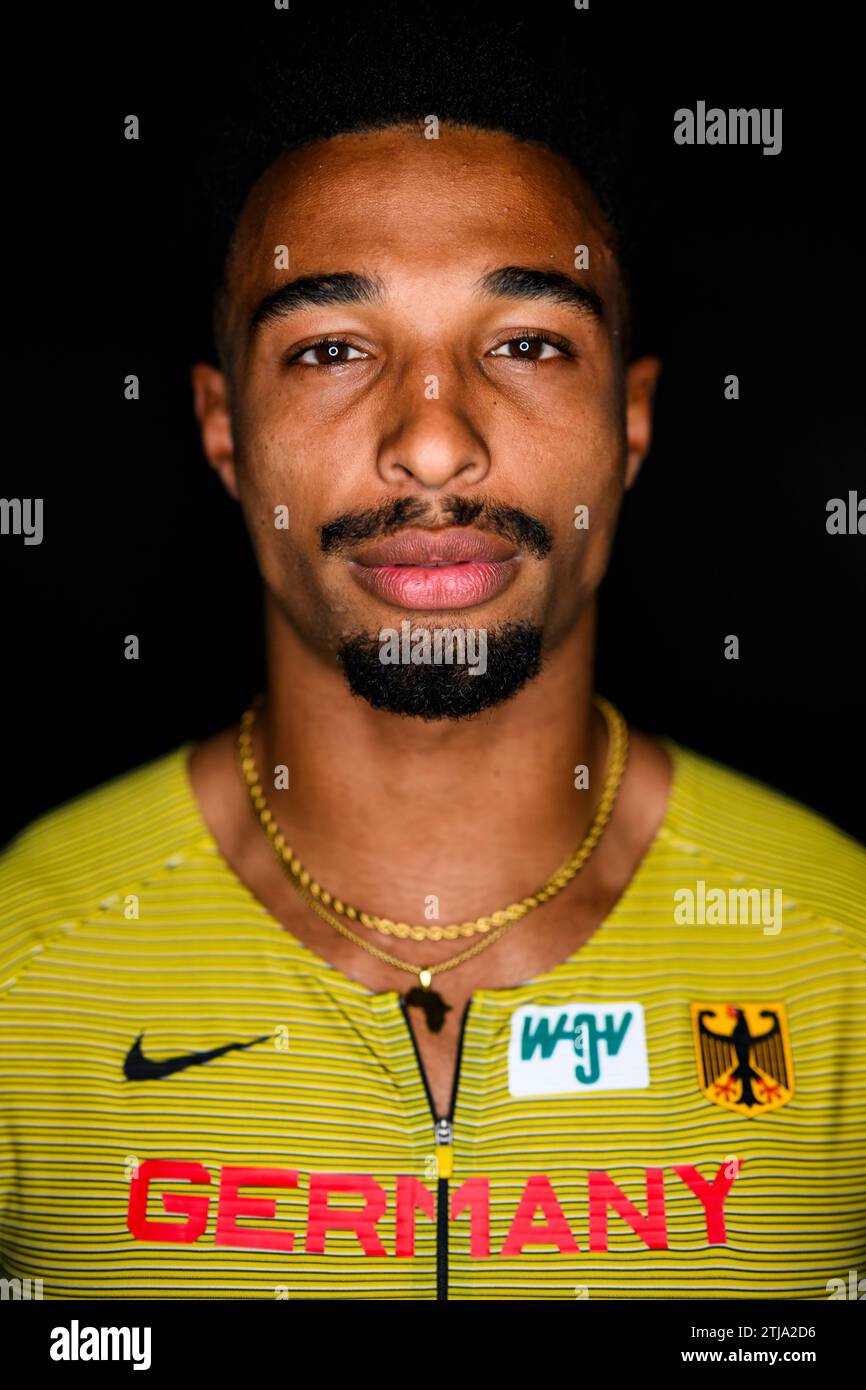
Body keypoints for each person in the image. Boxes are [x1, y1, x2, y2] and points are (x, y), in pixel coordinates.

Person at [1, 18, 864, 1301]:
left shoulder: (841, 952)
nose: (434, 444)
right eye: (332, 349)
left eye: (523, 343)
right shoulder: (23, 959)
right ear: (222, 430)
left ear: (629, 423)